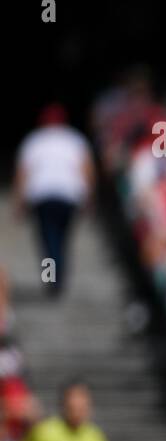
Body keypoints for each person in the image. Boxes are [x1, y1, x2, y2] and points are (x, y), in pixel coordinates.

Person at [13, 104, 95, 298]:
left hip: (43, 195)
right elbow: (86, 169)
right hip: (69, 195)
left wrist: (20, 200)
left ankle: (51, 281)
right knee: (62, 239)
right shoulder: (75, 139)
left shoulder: (34, 140)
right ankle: (58, 279)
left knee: (48, 240)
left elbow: (23, 172)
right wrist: (89, 196)